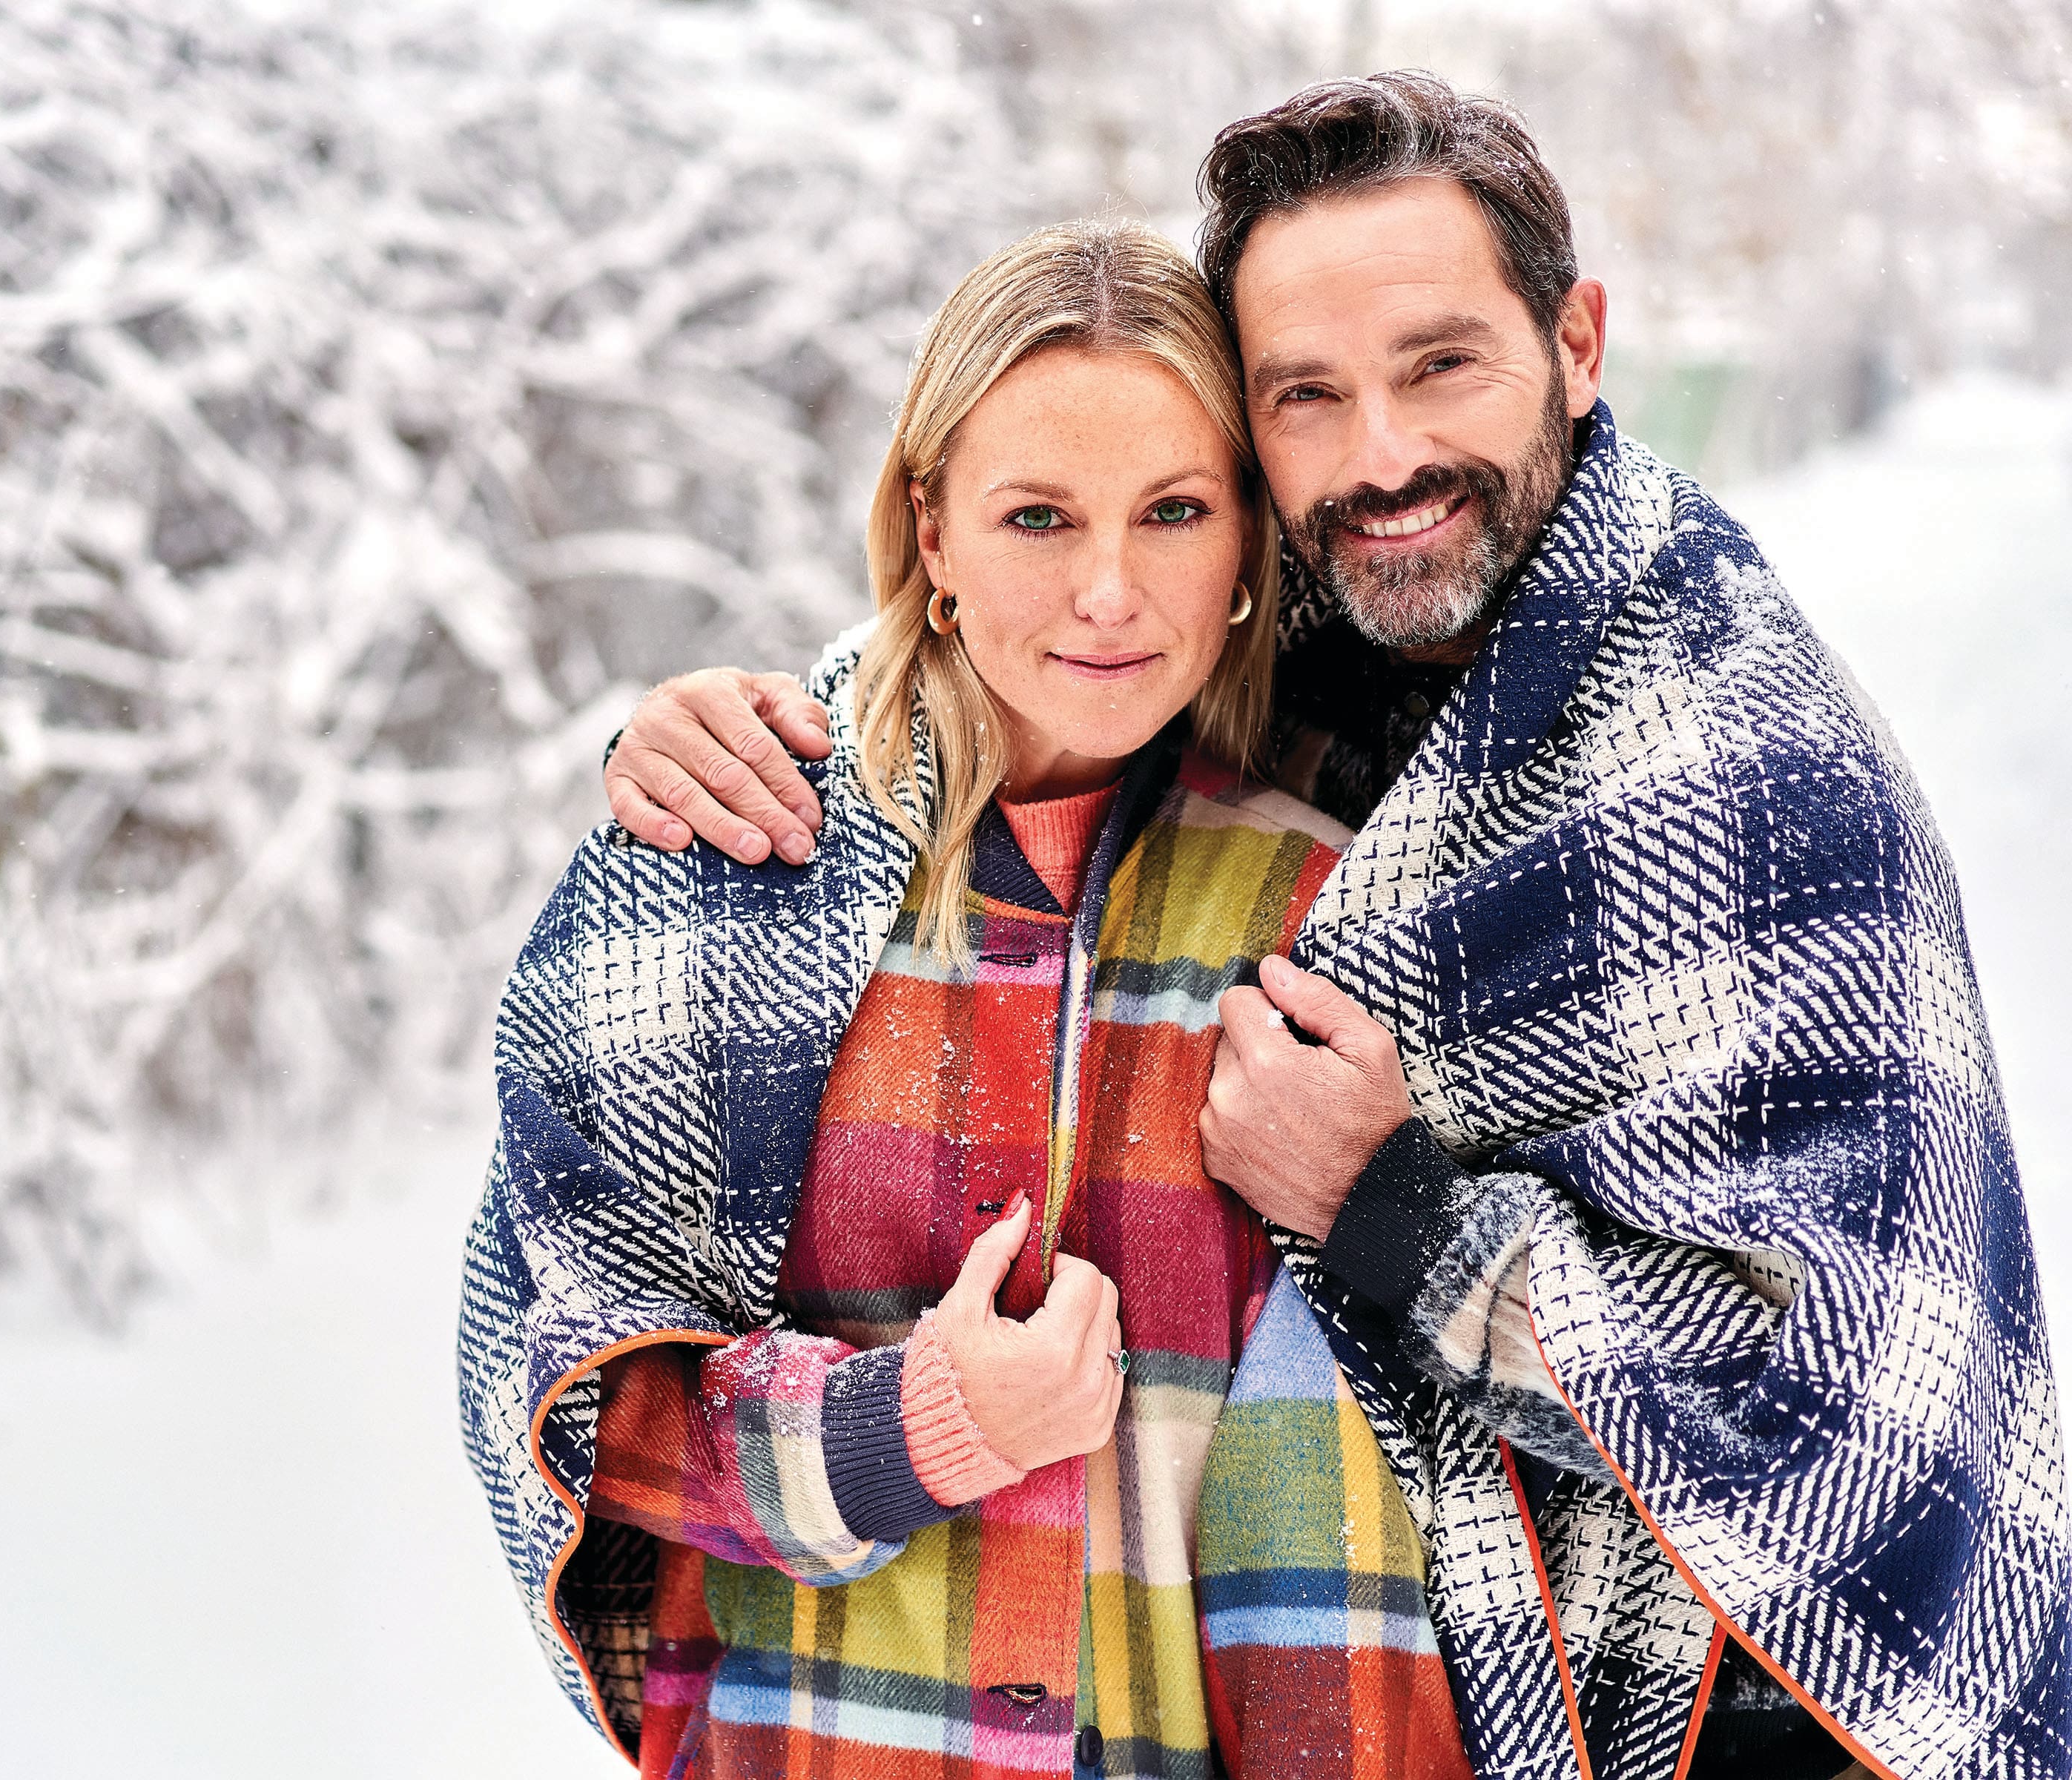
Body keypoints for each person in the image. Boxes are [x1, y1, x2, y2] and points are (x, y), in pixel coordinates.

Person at [595, 71, 2070, 1780]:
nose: (1381, 460)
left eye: (1441, 364)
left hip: (1760, 1713)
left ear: (1578, 343)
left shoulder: (1751, 781)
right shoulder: (1307, 623)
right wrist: (719, 732)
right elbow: (1048, 613)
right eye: (1305, 395)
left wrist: (1389, 1211)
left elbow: (1830, 1423)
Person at [458, 220, 1474, 1780]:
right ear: (931, 530)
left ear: (1251, 548)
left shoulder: (1333, 917)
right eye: (1038, 517)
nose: (1112, 593)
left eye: (1176, 511)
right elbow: (577, 1406)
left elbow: (1386, 1519)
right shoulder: (730, 861)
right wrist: (907, 1429)